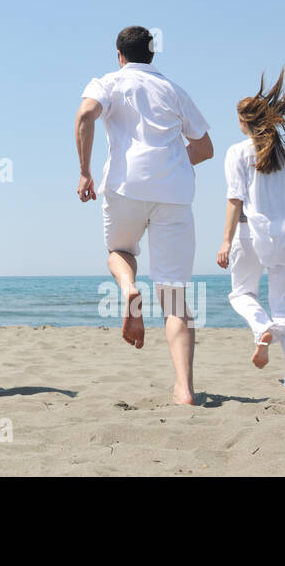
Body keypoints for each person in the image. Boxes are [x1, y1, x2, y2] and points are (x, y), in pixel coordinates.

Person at [75, 25, 214, 405]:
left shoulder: (109, 83)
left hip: (126, 188)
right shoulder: (173, 90)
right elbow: (204, 147)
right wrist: (171, 164)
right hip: (174, 195)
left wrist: (85, 172)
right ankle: (184, 389)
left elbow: (85, 115)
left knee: (119, 251)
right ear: (153, 55)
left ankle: (129, 289)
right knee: (174, 298)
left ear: (120, 56)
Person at [216, 69, 285, 387]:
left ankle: (262, 326)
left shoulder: (237, 152)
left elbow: (234, 199)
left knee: (241, 292)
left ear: (244, 122)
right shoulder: (284, 155)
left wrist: (225, 240)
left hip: (251, 233)